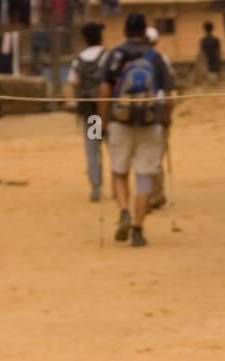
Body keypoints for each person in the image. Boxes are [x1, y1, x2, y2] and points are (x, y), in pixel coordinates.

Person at [98, 12, 174, 247]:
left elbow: (104, 91)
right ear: (144, 31)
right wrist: (166, 120)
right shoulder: (156, 58)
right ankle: (139, 229)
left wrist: (102, 120)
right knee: (144, 176)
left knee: (119, 171)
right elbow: (168, 96)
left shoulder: (116, 55)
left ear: (125, 31)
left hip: (120, 122)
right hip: (150, 123)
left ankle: (123, 211)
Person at [67, 21, 108, 202]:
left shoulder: (79, 59)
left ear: (84, 39)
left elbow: (73, 82)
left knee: (93, 149)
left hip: (91, 114)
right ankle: (119, 185)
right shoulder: (108, 56)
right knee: (114, 149)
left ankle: (96, 187)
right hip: (109, 111)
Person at [144, 26, 174, 211]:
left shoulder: (134, 60)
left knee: (145, 154)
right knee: (157, 153)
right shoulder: (163, 60)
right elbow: (170, 90)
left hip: (143, 111)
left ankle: (152, 194)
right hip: (161, 109)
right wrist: (169, 116)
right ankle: (157, 192)